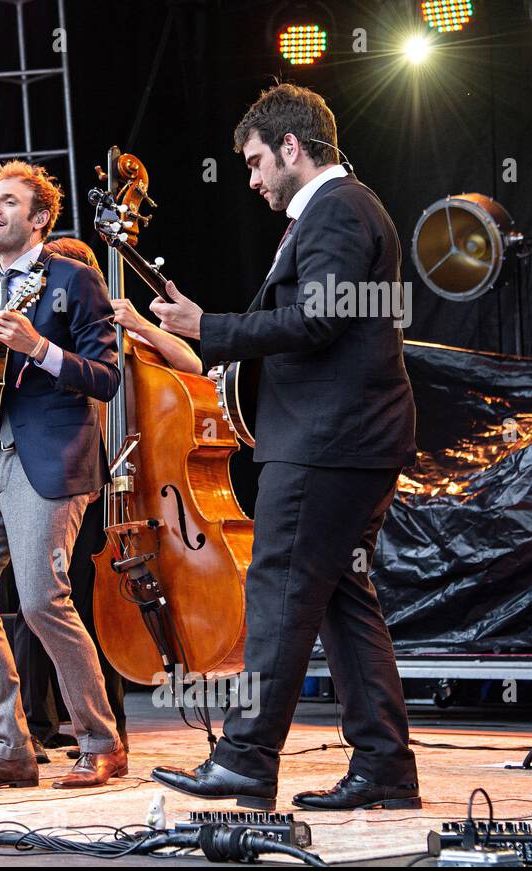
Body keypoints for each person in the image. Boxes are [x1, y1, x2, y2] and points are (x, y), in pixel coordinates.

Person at [149, 83, 420, 811]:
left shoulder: (337, 209)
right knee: (340, 601)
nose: (252, 178)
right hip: (348, 439)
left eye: (256, 161)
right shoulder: (343, 209)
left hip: (329, 443)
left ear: (292, 148)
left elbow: (316, 320)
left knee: (276, 592)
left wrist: (210, 326)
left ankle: (244, 756)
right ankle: (386, 768)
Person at [0, 162, 126, 790]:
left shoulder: (75, 278)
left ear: (40, 218)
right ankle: (9, 747)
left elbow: (106, 377)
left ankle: (100, 742)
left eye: (9, 202)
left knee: (44, 599)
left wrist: (39, 348)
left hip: (53, 455)